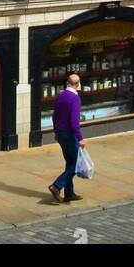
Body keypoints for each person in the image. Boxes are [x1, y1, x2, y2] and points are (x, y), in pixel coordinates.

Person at [49, 72, 86, 203]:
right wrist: (80, 138)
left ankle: (69, 193)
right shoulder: (75, 98)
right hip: (69, 135)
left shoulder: (60, 95)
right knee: (77, 164)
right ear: (78, 84)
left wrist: (56, 131)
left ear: (67, 83)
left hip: (60, 133)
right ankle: (57, 186)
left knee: (70, 162)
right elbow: (74, 121)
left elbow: (54, 115)